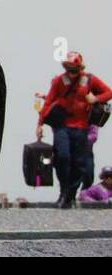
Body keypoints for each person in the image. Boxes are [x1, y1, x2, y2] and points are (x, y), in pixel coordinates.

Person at [37, 52, 112, 208]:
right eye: (69, 69)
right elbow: (49, 100)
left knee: (80, 164)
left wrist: (96, 99)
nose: (71, 73)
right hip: (62, 127)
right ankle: (64, 190)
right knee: (62, 157)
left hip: (81, 128)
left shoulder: (89, 80)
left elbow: (109, 92)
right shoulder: (59, 81)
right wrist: (40, 124)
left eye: (74, 69)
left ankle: (70, 194)